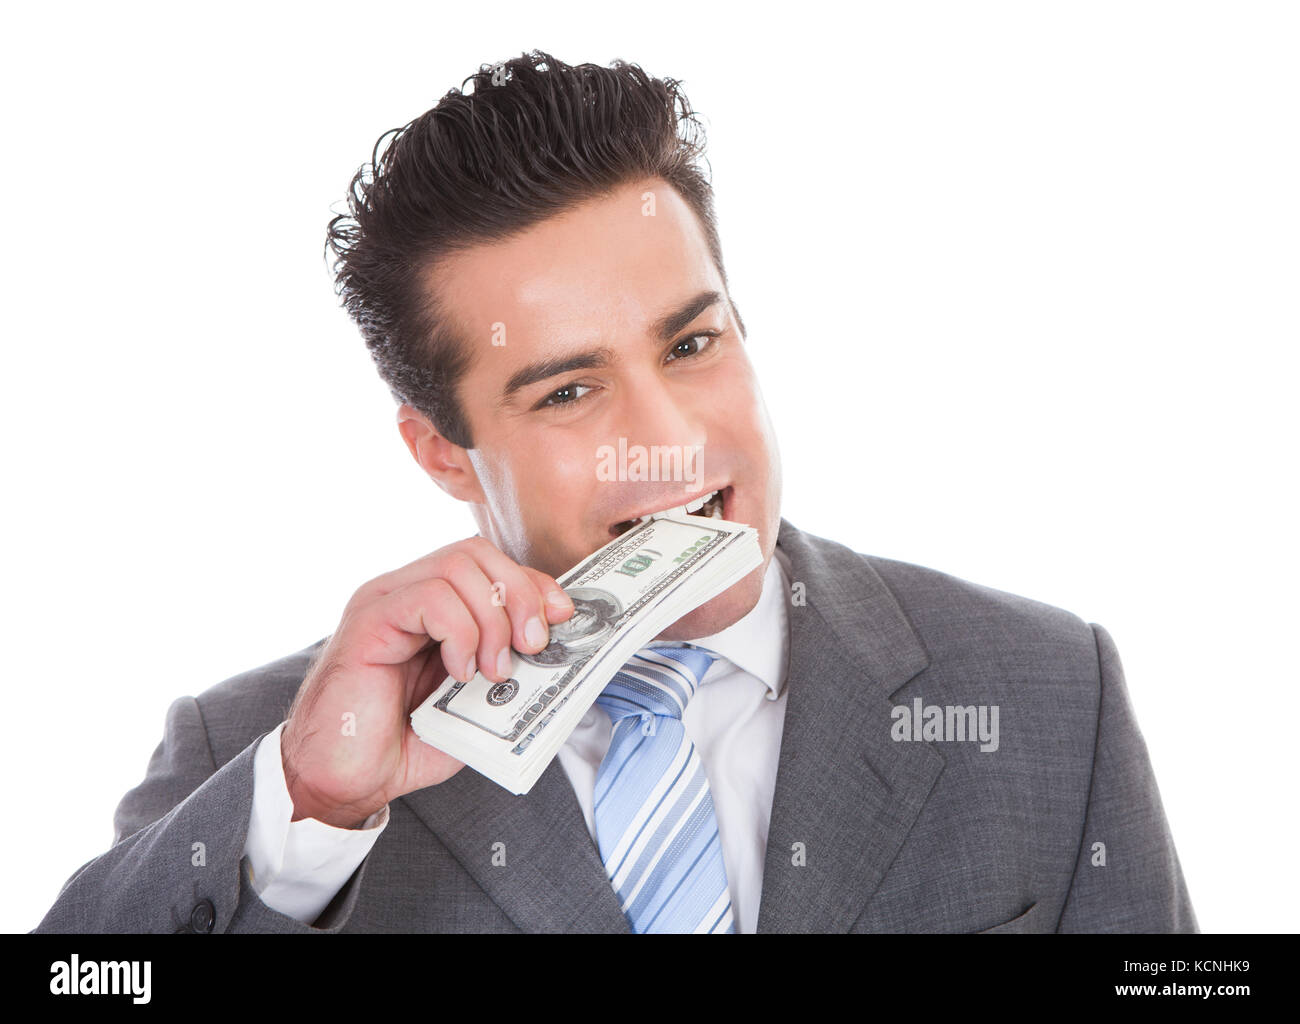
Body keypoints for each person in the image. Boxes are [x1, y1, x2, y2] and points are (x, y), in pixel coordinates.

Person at [35, 50, 1196, 934]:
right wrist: (306, 814)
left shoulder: (1048, 693)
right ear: (442, 452)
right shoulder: (267, 759)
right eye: (567, 393)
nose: (668, 440)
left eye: (690, 347)